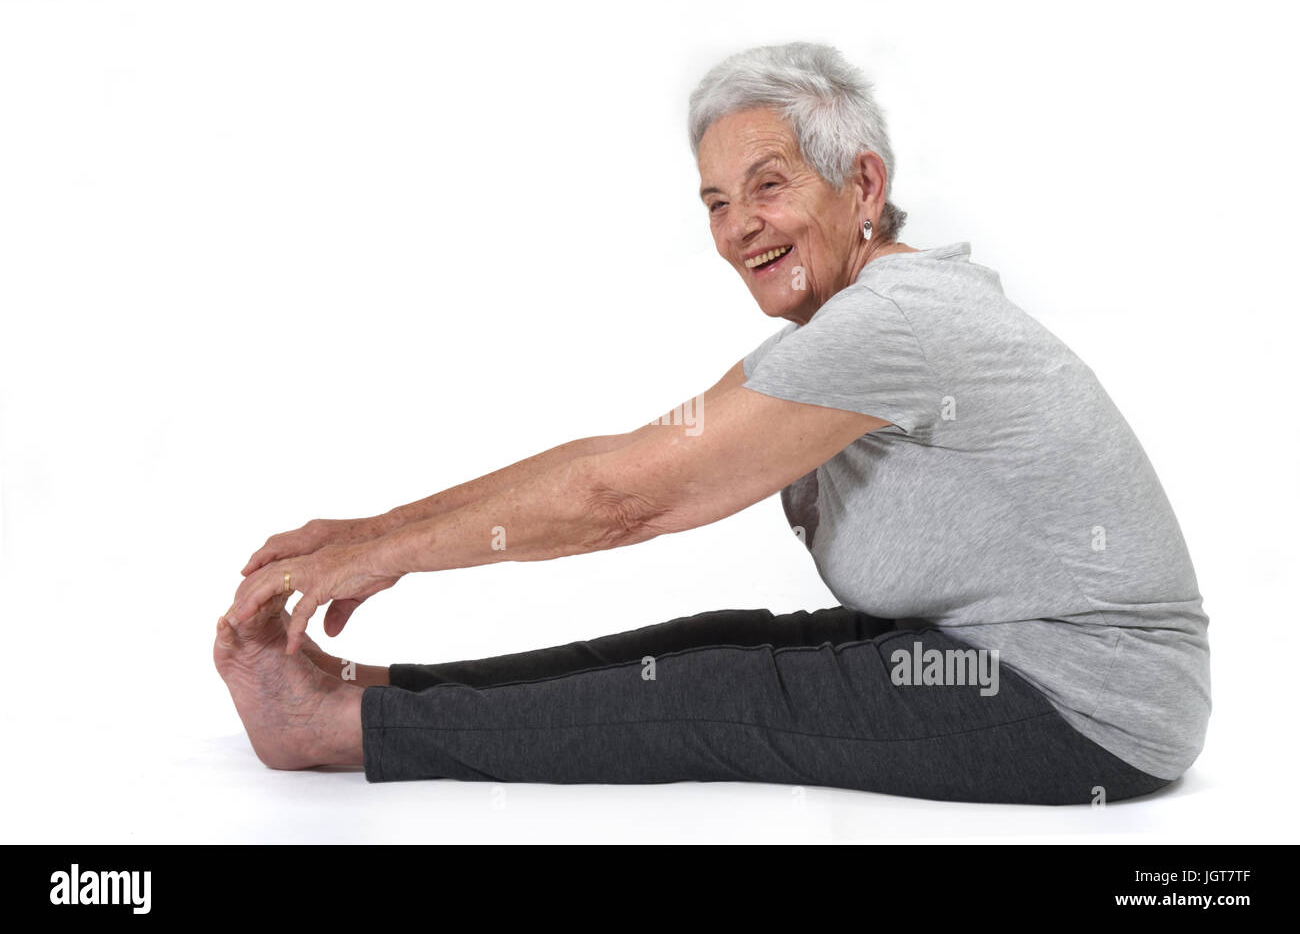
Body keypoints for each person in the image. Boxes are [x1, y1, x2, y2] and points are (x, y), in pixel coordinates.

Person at [214, 42, 1210, 804]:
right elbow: (623, 461)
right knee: (715, 642)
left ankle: (343, 729)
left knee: (722, 696)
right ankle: (372, 693)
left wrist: (384, 546)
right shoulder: (863, 320)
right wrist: (376, 535)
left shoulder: (895, 320)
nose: (738, 228)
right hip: (990, 648)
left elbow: (623, 497)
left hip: (1085, 706)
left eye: (768, 185)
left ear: (862, 185)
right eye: (717, 201)